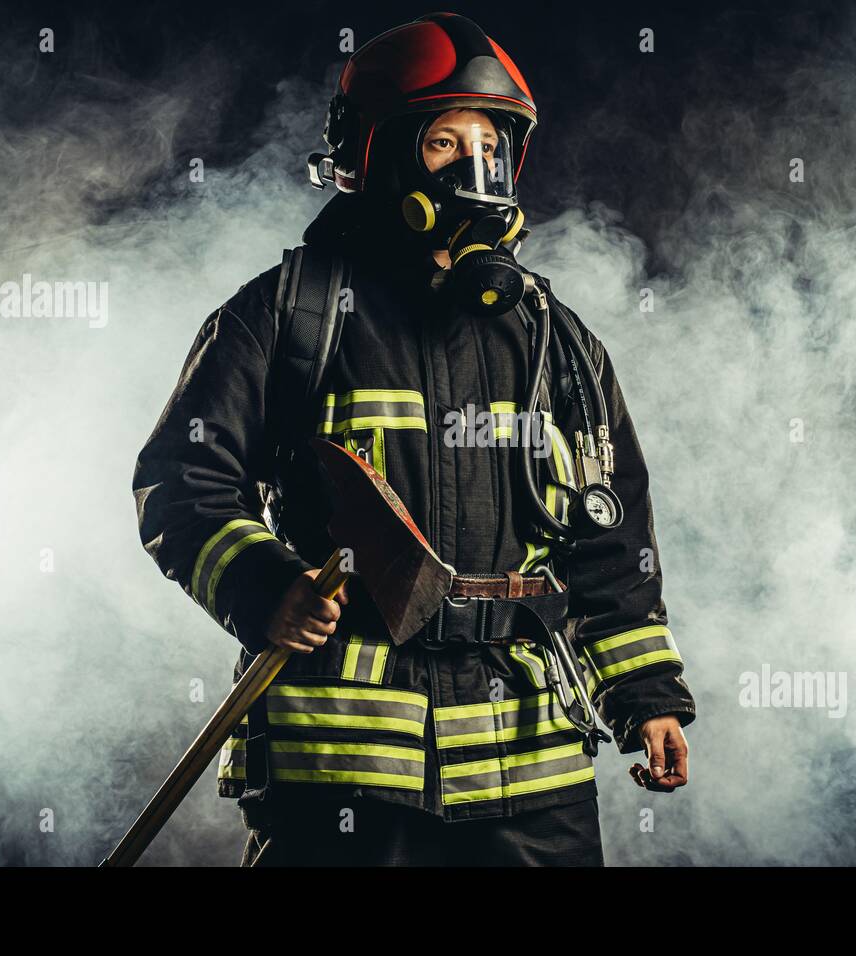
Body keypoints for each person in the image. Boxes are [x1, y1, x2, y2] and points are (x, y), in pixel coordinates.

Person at [133, 12, 695, 867]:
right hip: (346, 776)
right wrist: (265, 587)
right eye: (443, 140)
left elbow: (610, 538)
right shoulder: (288, 317)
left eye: (490, 142)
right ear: (379, 155)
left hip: (530, 775)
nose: (474, 166)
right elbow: (181, 485)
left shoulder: (558, 343)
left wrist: (645, 696)